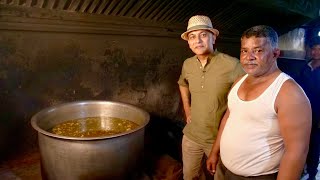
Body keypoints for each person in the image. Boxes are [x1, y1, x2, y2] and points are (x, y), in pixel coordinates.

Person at [206, 25, 312, 180]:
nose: (249, 57)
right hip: (226, 170)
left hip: (260, 176)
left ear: (275, 53)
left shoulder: (288, 93)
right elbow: (228, 117)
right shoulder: (238, 82)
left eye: (258, 50)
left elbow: (296, 152)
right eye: (244, 50)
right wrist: (215, 152)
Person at [178, 15, 245, 180]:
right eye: (192, 36)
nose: (197, 41)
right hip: (192, 135)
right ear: (188, 42)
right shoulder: (188, 64)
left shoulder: (232, 65)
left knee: (220, 177)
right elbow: (182, 84)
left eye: (203, 34)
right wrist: (188, 110)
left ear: (213, 37)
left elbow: (246, 98)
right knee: (190, 176)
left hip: (219, 139)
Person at [298, 38, 320, 180]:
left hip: (318, 116)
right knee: (300, 143)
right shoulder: (305, 67)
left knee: (314, 145)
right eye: (314, 49)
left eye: (319, 49)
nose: (316, 52)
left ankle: (312, 173)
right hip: (302, 114)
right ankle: (300, 168)